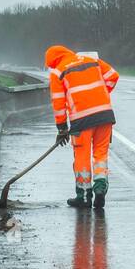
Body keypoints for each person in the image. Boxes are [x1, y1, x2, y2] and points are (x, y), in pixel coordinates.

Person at [44, 46, 120, 209]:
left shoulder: (57, 72)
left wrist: (62, 128)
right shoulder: (91, 60)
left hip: (81, 120)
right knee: (100, 154)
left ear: (53, 61)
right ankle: (100, 188)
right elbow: (113, 76)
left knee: (82, 156)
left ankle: (84, 197)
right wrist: (99, 95)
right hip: (105, 114)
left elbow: (58, 102)